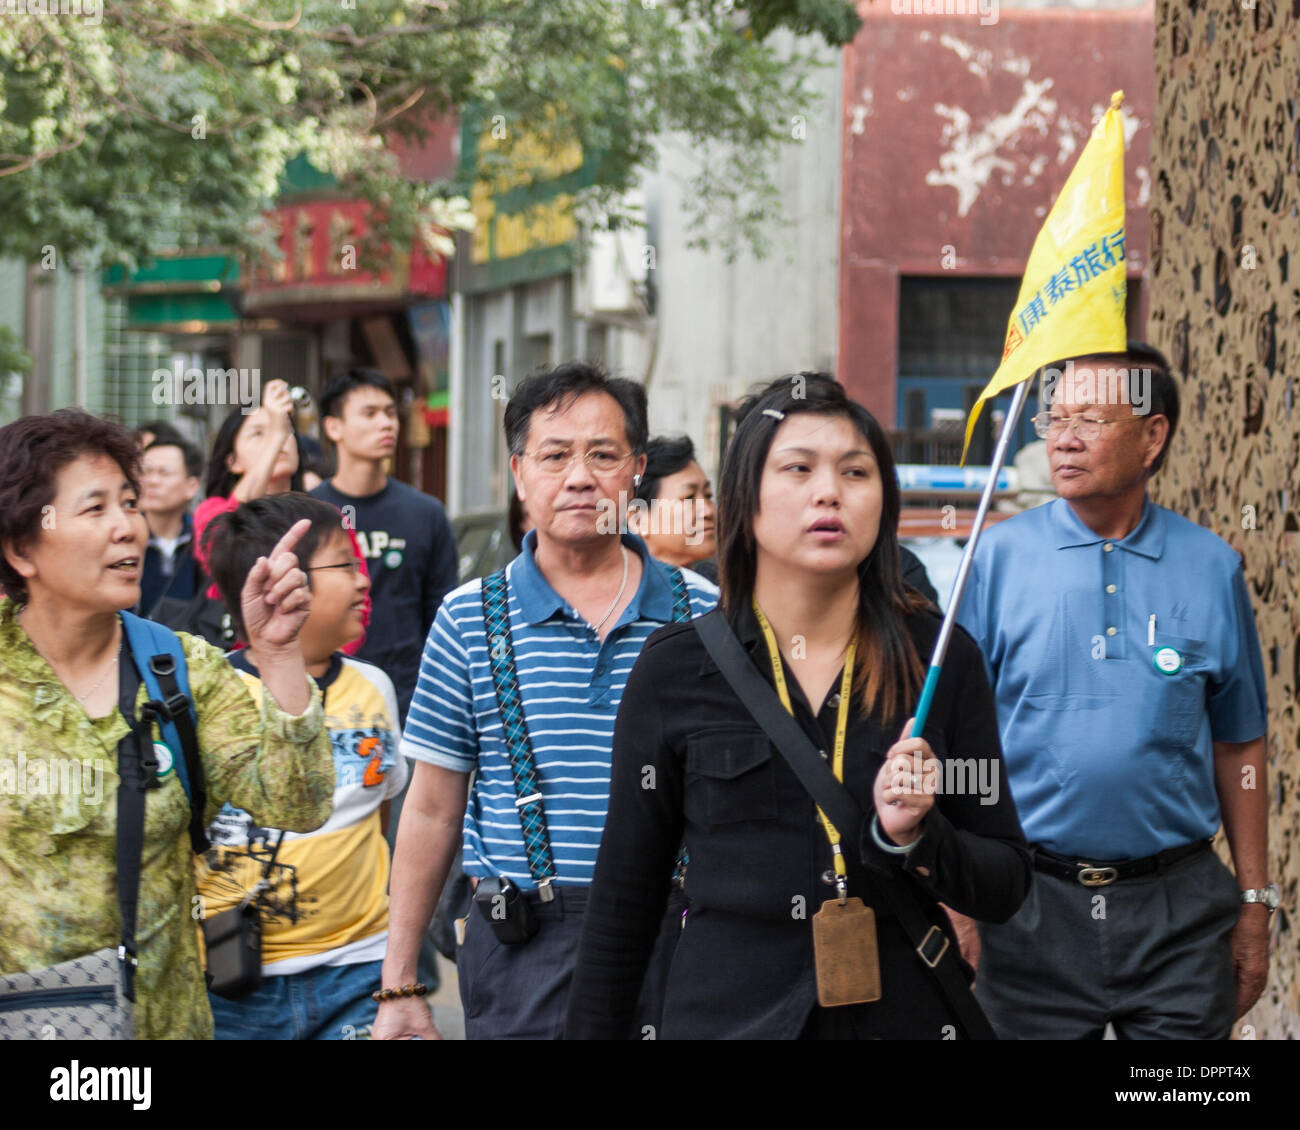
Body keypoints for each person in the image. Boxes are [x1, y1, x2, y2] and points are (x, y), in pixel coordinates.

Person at [564, 374, 1031, 1040]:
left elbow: (1006, 883)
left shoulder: (938, 661)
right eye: (799, 469)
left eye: (855, 471)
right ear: (744, 497)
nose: (829, 492)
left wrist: (920, 836)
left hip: (901, 1015)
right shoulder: (675, 669)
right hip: (729, 1016)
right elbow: (623, 900)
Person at [373, 361, 719, 1041]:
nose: (580, 476)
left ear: (637, 471)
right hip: (524, 949)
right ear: (519, 472)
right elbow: (433, 810)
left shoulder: (703, 613)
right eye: (555, 455)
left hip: (681, 941)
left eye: (603, 455)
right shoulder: (469, 619)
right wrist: (400, 983)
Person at [953, 343, 1272, 1039]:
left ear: (1152, 436)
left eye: (1090, 419)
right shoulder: (998, 559)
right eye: (1054, 418)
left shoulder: (1212, 567)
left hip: (1178, 911)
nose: (1063, 438)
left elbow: (1240, 741)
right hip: (1027, 903)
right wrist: (958, 895)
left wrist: (1255, 899)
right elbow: (954, 735)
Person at [0, 410, 333, 1040]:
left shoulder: (178, 669)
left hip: (160, 1028)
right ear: (22, 548)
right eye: (94, 509)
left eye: (130, 502)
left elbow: (301, 801)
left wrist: (280, 655)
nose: (127, 527)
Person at [197, 494, 407, 1040]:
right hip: (234, 983)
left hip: (358, 970)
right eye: (344, 565)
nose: (364, 581)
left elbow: (377, 821)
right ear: (277, 580)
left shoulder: (374, 688)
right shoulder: (211, 695)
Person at [310, 368, 458, 725]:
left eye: (391, 413)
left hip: (406, 699)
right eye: (370, 413)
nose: (387, 423)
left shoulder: (426, 513)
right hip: (323, 697)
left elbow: (440, 614)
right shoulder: (309, 512)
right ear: (334, 428)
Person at [195, 379, 369, 654]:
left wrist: (325, 666)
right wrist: (276, 436)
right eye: (258, 434)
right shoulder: (213, 513)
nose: (280, 440)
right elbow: (227, 534)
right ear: (232, 462)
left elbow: (359, 601)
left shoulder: (328, 518)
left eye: (287, 431)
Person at [629, 435, 718, 581]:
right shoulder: (618, 598)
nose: (708, 511)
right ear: (637, 520)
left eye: (708, 495)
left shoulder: (715, 596)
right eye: (689, 497)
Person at [137, 434, 204, 617]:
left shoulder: (203, 540)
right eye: (146, 472)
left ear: (192, 486)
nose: (152, 481)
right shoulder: (125, 538)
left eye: (164, 473)